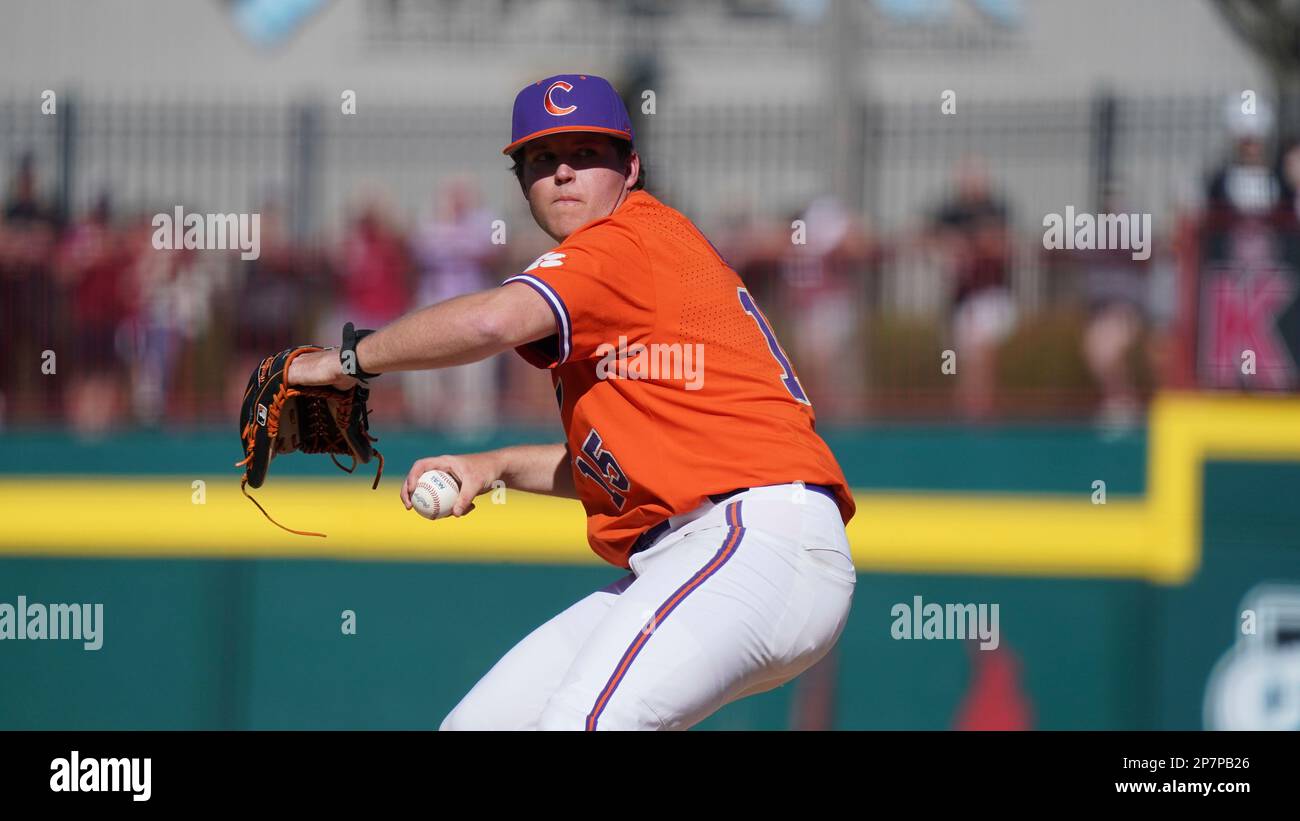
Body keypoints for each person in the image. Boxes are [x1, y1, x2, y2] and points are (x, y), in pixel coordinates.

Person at [286, 73, 857, 730]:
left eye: (587, 154)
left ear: (631, 168)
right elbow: (604, 465)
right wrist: (493, 465)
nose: (563, 173)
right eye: (541, 159)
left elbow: (490, 323)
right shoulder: (617, 284)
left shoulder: (628, 239)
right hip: (700, 555)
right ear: (522, 181)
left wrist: (345, 361)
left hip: (755, 540)